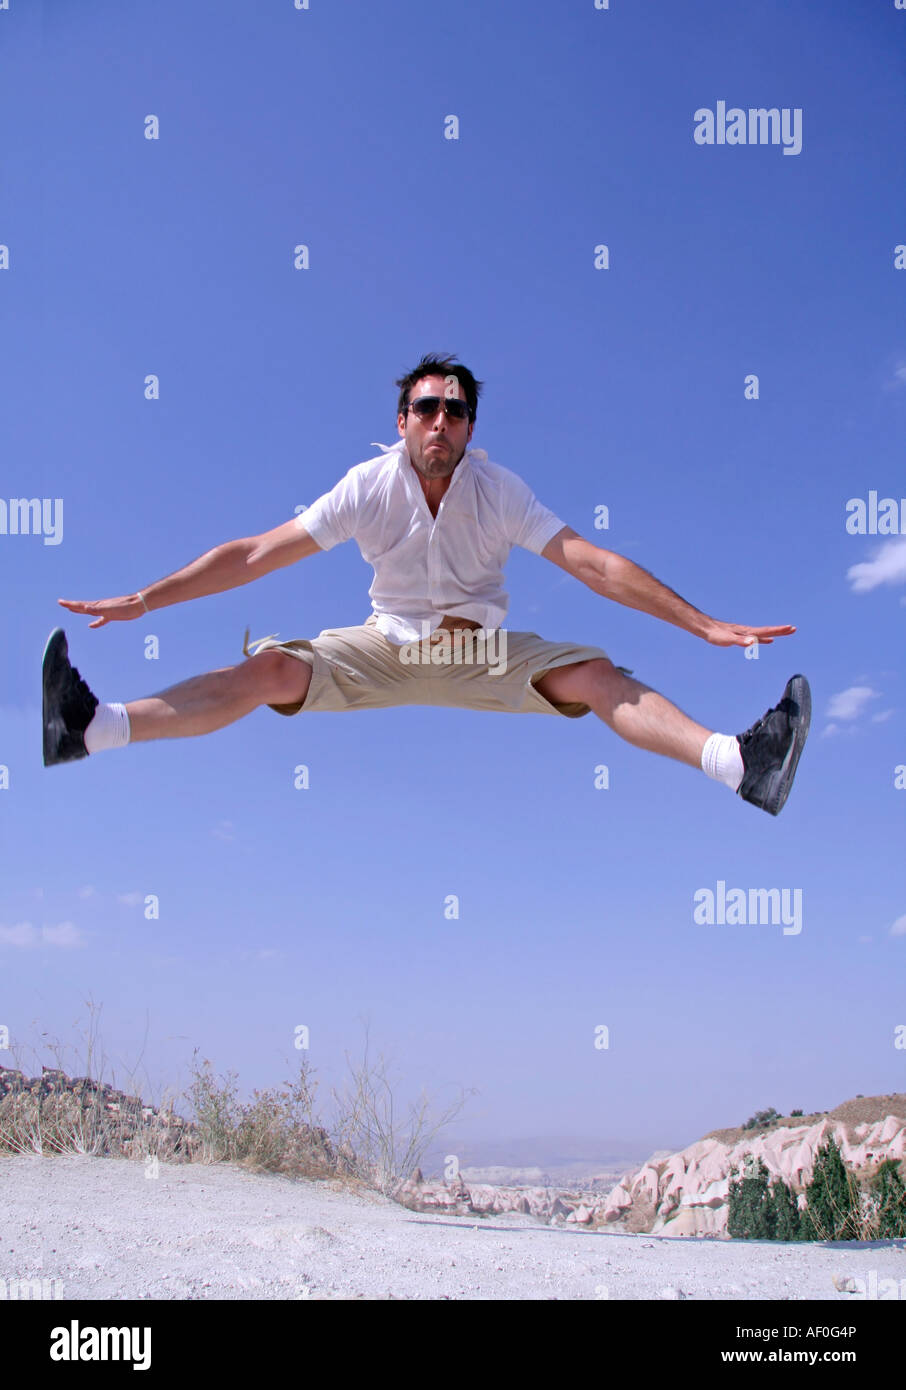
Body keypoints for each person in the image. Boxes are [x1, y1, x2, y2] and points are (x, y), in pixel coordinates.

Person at [44, 353, 810, 816]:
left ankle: (739, 765)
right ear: (403, 419)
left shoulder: (498, 489)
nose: (440, 422)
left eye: (455, 410)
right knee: (268, 670)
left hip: (479, 651)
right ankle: (94, 728)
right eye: (426, 408)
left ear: (471, 428)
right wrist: (146, 599)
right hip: (383, 645)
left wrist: (702, 623)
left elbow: (592, 562)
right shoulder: (367, 486)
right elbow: (253, 555)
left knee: (598, 675)